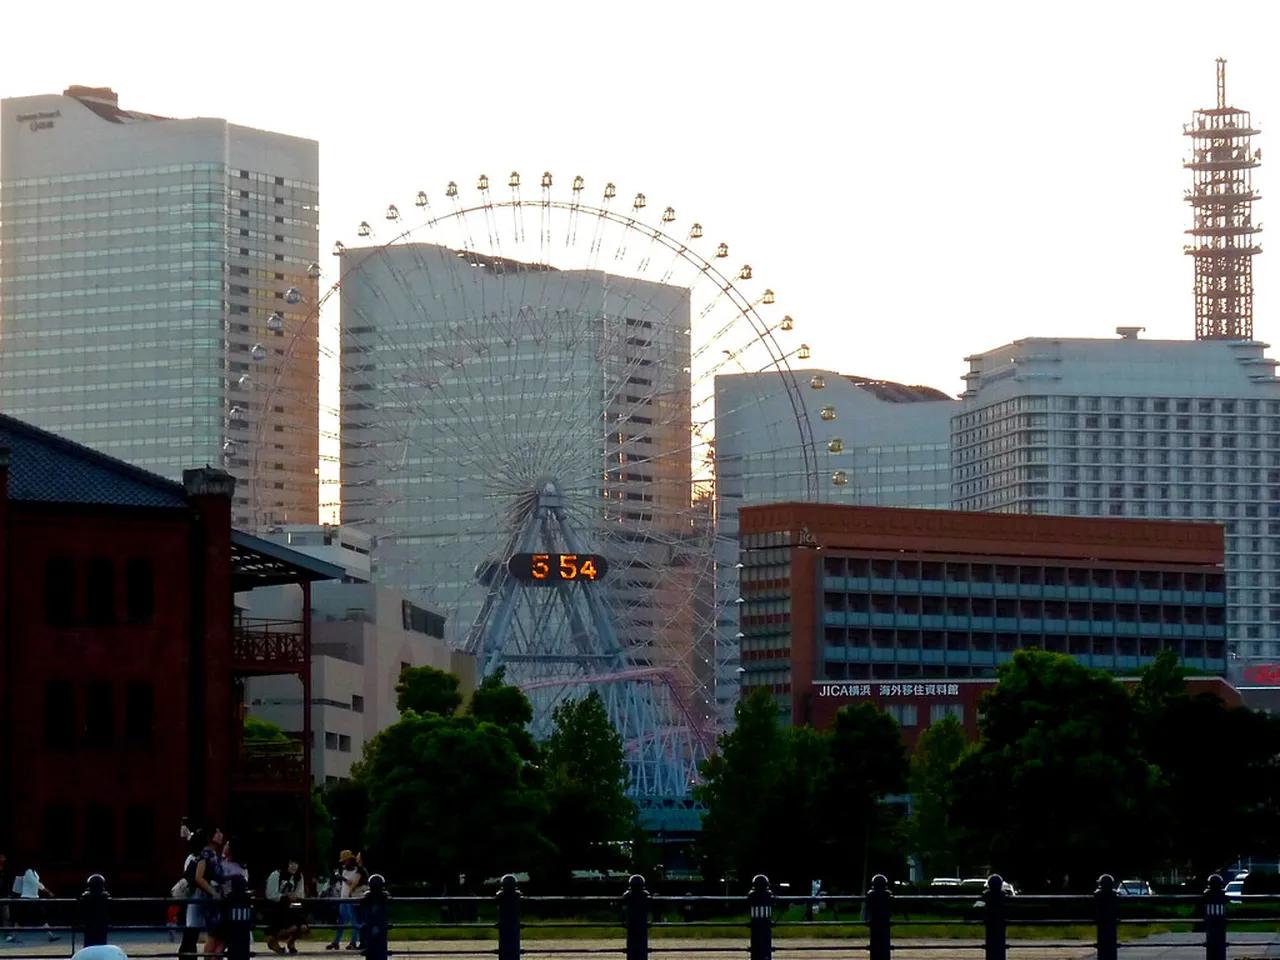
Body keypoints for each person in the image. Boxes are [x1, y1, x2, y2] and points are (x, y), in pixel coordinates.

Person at [181, 828, 224, 959]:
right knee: (194, 931)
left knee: (214, 933)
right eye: (217, 832)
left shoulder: (214, 854)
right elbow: (198, 877)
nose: (221, 835)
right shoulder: (206, 854)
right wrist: (214, 892)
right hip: (201, 895)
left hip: (208, 896)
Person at [265, 859, 307, 955]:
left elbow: (300, 894)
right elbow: (270, 895)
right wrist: (285, 896)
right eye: (291, 863)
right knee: (292, 927)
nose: (294, 866)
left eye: (296, 863)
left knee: (303, 927)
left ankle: (291, 941)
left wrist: (296, 897)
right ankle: (272, 940)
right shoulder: (276, 875)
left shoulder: (299, 876)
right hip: (276, 907)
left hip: (292, 906)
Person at [326, 851, 364, 951]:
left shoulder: (356, 870)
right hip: (343, 898)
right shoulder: (343, 870)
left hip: (351, 898)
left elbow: (352, 883)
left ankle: (353, 942)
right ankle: (336, 942)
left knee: (354, 921)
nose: (344, 863)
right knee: (341, 921)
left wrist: (342, 878)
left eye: (346, 860)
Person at [15, 863, 58, 942]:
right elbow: (36, 883)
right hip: (26, 897)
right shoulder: (28, 872)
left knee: (42, 916)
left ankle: (50, 935)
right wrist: (47, 891)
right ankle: (15, 936)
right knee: (20, 918)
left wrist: (46, 890)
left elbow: (38, 882)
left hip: (34, 897)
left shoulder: (35, 872)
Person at [0, 853, 14, 943]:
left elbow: (8, 882)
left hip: (4, 895)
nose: (4, 859)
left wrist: (9, 893)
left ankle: (8, 934)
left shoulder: (6, 870)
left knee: (6, 916)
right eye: (2, 857)